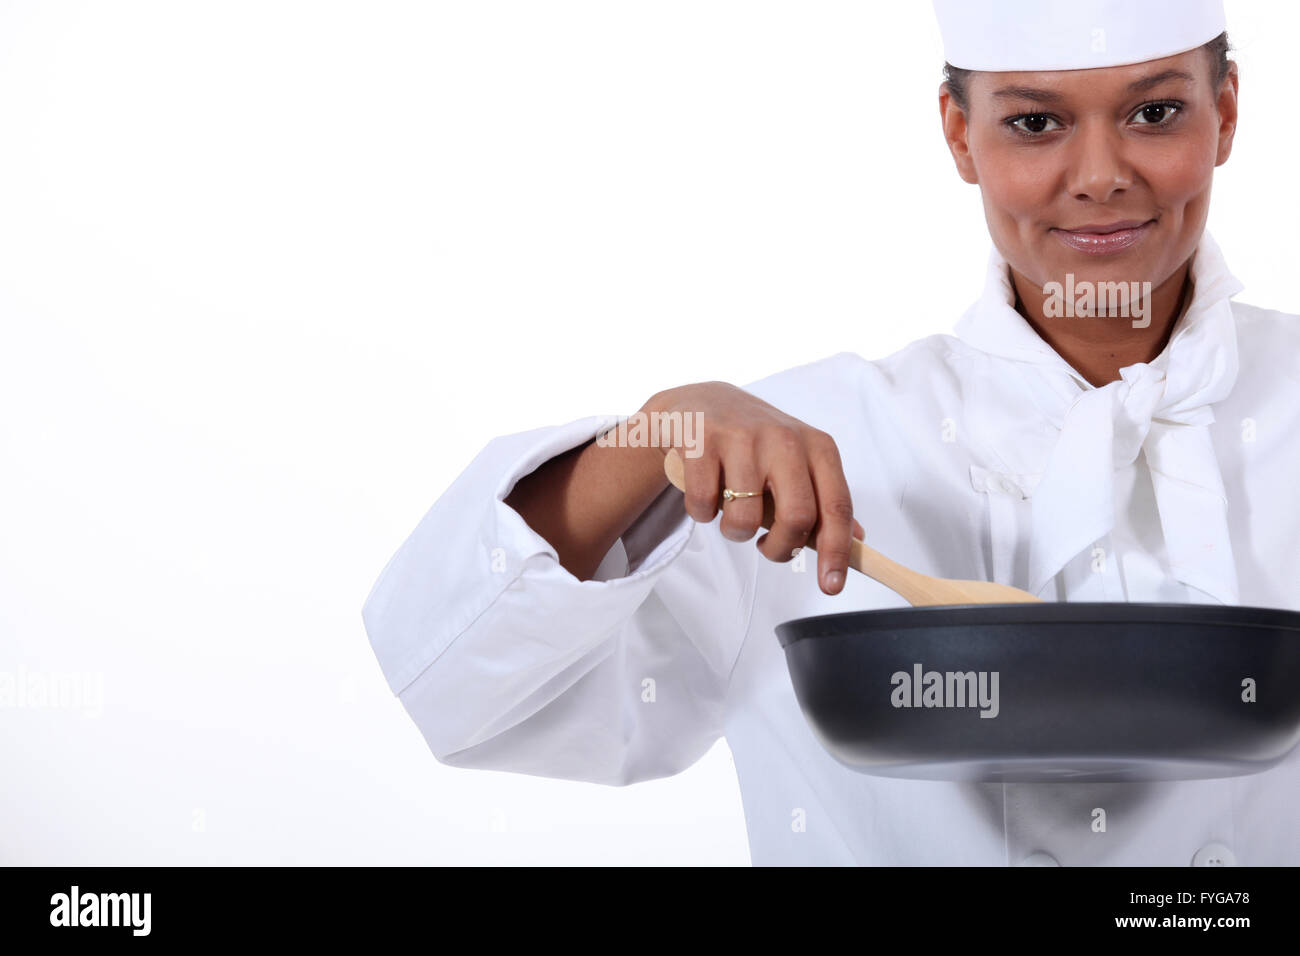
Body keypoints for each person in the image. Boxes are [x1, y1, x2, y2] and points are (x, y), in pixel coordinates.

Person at [361, 0, 1300, 865]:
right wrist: (660, 432)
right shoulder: (794, 457)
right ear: (958, 134)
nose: (1100, 177)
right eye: (1034, 122)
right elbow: (455, 694)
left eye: (1154, 114)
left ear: (1223, 115)